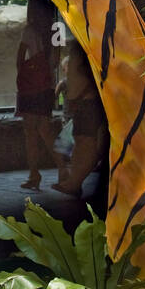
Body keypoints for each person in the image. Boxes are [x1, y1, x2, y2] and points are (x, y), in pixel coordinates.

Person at [50, 41, 109, 208]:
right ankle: (74, 183)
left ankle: (75, 182)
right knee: (80, 142)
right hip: (82, 105)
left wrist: (85, 93)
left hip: (88, 103)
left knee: (87, 143)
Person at [16, 0, 62, 190]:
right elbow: (57, 59)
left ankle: (35, 173)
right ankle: (62, 167)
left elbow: (19, 59)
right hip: (47, 86)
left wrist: (26, 76)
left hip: (30, 88)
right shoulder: (56, 28)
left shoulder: (29, 30)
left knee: (31, 133)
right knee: (44, 129)